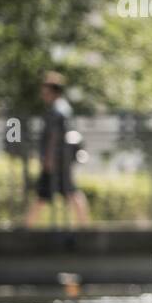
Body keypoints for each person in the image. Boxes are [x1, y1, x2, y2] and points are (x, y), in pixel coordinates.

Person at [25, 71, 91, 228]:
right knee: (67, 191)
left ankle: (27, 227)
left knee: (58, 192)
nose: (43, 95)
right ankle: (85, 225)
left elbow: (55, 136)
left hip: (56, 161)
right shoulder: (62, 108)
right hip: (60, 160)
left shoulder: (58, 109)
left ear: (54, 91)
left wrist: (48, 158)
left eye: (46, 91)